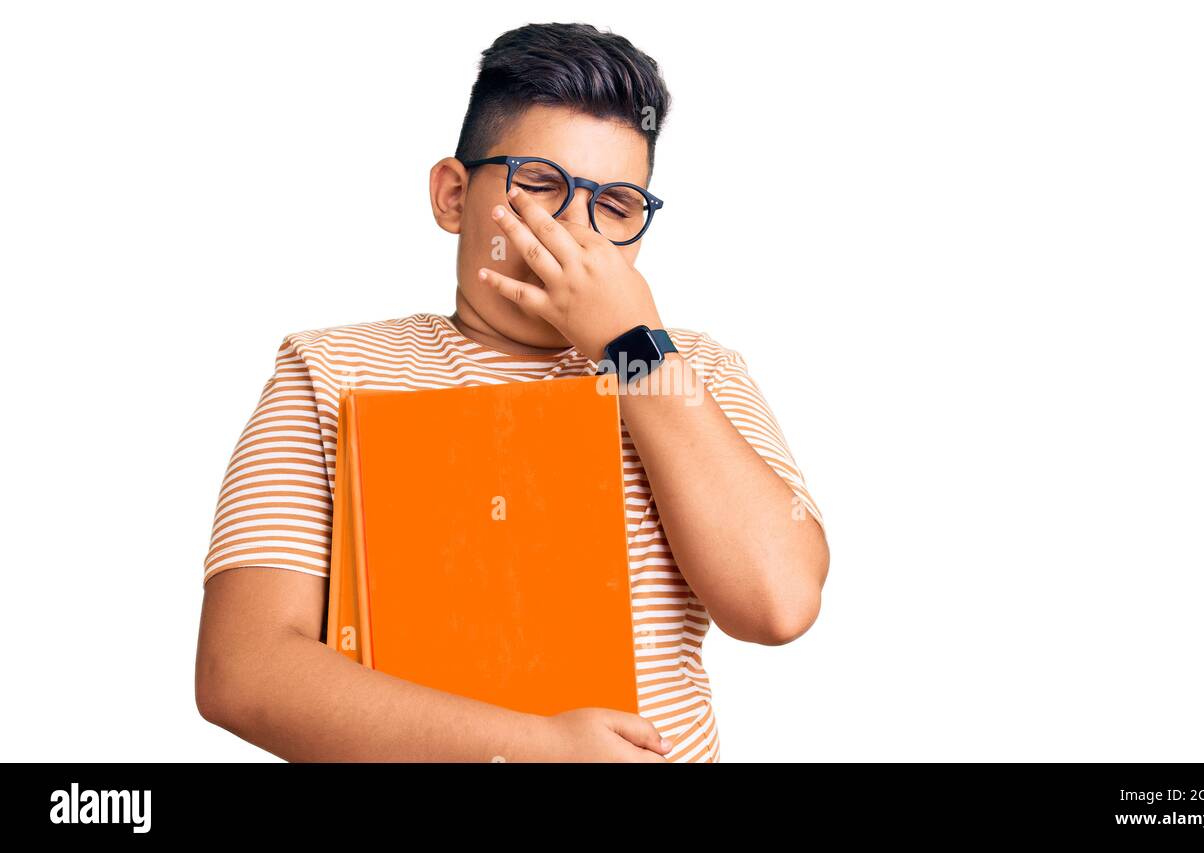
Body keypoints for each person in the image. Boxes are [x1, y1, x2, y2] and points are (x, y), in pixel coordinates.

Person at [195, 22, 829, 762]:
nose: (575, 231)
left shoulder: (696, 371)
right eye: (539, 185)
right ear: (453, 195)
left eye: (616, 204)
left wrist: (634, 351)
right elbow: (243, 672)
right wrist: (538, 749)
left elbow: (778, 604)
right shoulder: (331, 370)